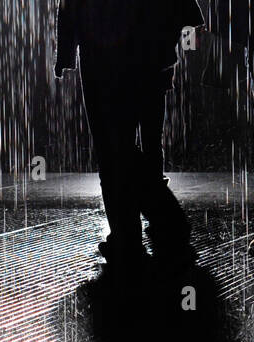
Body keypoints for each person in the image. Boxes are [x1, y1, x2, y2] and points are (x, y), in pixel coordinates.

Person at [55, 0, 205, 271]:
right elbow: (184, 14)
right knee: (134, 147)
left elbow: (70, 8)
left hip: (101, 60)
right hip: (147, 57)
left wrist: (65, 53)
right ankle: (161, 224)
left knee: (112, 150)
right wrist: (166, 49)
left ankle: (132, 234)